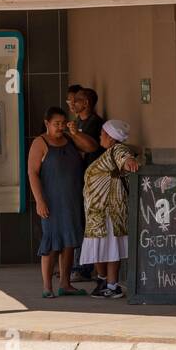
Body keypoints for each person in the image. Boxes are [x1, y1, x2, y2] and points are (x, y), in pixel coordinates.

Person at [27, 106, 87, 298]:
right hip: (51, 200)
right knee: (51, 242)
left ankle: (65, 283)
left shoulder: (70, 139)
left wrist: (75, 133)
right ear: (47, 124)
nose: (60, 127)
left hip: (72, 198)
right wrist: (39, 201)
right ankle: (47, 286)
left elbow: (91, 147)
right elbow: (32, 173)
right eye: (56, 124)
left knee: (69, 242)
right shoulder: (40, 142)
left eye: (63, 123)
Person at [81, 119, 139, 298]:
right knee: (108, 247)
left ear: (111, 138)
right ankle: (107, 283)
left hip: (108, 211)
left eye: (102, 133)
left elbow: (125, 155)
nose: (100, 136)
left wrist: (129, 161)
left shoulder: (116, 149)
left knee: (109, 247)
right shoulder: (107, 153)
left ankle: (109, 284)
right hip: (101, 212)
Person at [66, 87, 105, 282]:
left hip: (93, 180)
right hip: (79, 177)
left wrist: (74, 135)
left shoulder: (95, 122)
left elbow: (90, 146)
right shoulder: (78, 122)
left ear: (87, 103)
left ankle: (84, 268)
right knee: (79, 221)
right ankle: (77, 265)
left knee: (89, 224)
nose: (73, 104)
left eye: (77, 100)